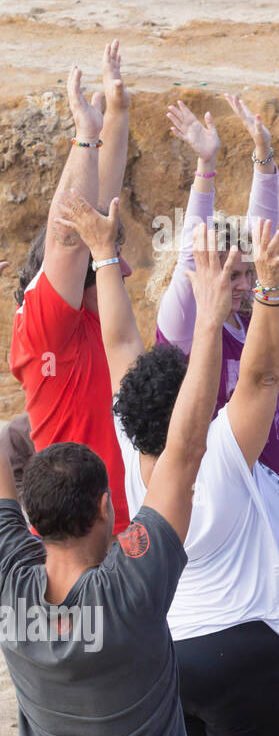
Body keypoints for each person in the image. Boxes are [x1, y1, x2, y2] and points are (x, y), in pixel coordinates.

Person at [60, 188, 279, 736]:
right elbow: (264, 375)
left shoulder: (130, 442)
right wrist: (265, 290)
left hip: (165, 655)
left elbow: (119, 345)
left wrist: (102, 252)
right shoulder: (219, 450)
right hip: (245, 653)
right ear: (199, 408)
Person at [0, 206, 231, 736]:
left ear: (30, 519)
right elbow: (180, 454)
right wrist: (209, 325)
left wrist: (207, 321)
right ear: (107, 506)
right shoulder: (129, 589)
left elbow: (182, 451)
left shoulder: (10, 586)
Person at [10, 48, 132, 533]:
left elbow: (104, 200)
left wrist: (117, 113)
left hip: (121, 524)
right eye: (104, 258)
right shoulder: (44, 322)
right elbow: (68, 232)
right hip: (74, 535)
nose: (119, 269)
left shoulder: (93, 310)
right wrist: (85, 137)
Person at [154, 94, 279, 487]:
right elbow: (190, 256)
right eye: (233, 274)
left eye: (249, 273)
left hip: (271, 488)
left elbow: (261, 235)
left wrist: (263, 153)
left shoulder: (249, 315)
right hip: (216, 492)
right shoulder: (185, 325)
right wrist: (205, 165)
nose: (246, 284)